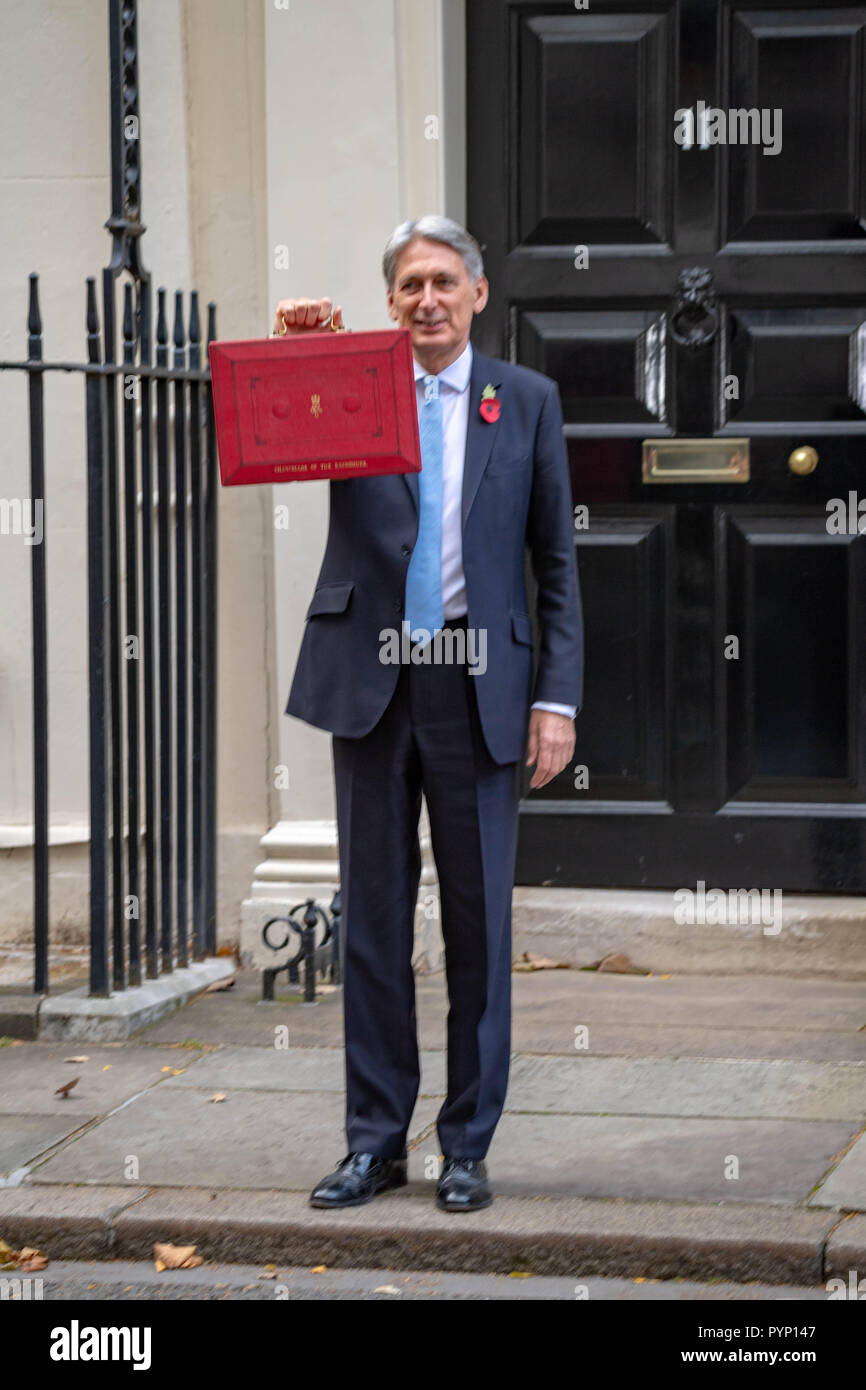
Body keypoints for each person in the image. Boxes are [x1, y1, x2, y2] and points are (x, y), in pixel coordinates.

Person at [274, 215, 583, 1212]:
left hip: (477, 679)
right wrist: (300, 357)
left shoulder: (524, 402)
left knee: (476, 926)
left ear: (477, 293)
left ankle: (465, 1145)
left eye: (443, 281)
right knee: (369, 922)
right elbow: (266, 431)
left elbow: (555, 565)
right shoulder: (348, 393)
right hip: (372, 677)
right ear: (391, 301)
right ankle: (374, 1143)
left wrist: (556, 698)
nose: (427, 300)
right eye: (409, 285)